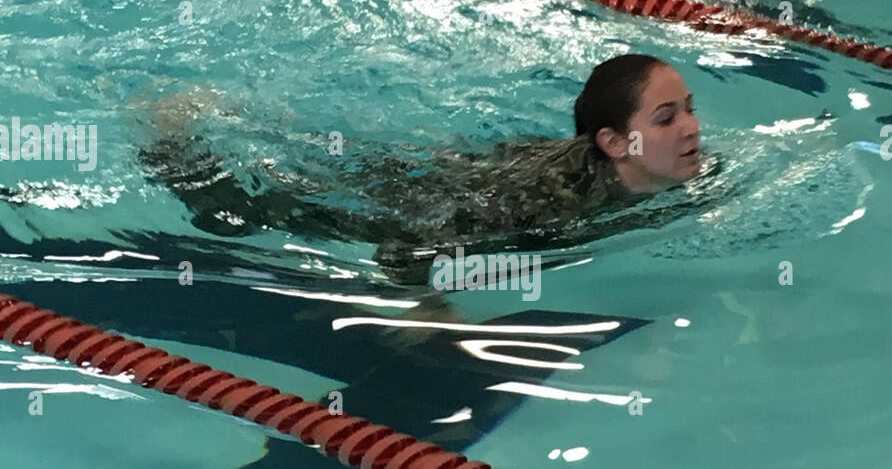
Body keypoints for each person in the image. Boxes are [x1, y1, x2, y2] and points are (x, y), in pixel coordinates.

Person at [135, 53, 710, 286]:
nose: (690, 128)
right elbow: (410, 246)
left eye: (689, 109)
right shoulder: (555, 200)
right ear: (614, 142)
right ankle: (165, 138)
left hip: (453, 172)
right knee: (238, 217)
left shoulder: (677, 177)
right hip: (405, 199)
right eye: (667, 118)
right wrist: (424, 305)